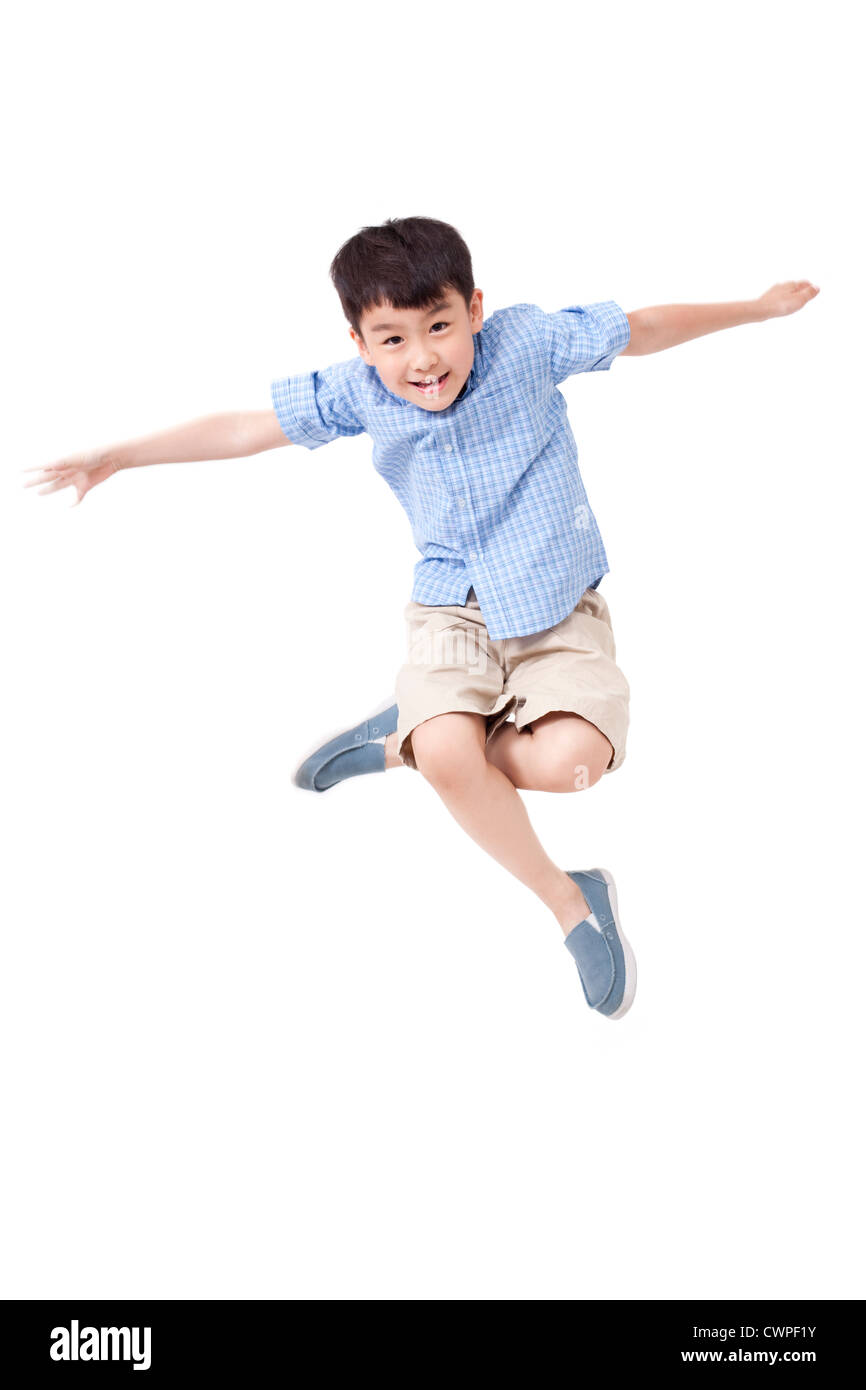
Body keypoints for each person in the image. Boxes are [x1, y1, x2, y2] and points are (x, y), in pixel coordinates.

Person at [23, 215, 819, 1021]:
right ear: (361, 343)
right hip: (452, 608)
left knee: (570, 765)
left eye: (439, 326)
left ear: (475, 308)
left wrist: (756, 308)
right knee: (449, 753)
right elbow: (244, 428)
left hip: (555, 602)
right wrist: (119, 455)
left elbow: (640, 328)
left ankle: (409, 737)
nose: (423, 358)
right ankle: (569, 901)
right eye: (393, 339)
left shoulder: (528, 344)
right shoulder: (360, 390)